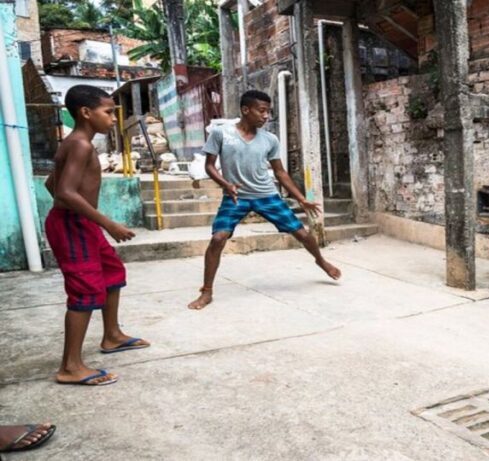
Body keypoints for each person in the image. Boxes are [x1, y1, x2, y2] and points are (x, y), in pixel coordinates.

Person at [187, 90, 341, 310]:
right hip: (236, 196)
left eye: (268, 111)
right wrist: (225, 184)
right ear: (245, 110)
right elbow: (209, 165)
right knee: (218, 239)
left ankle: (321, 260)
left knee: (303, 234)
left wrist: (301, 199)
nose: (266, 116)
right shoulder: (222, 134)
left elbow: (280, 172)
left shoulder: (270, 139)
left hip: (266, 195)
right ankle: (207, 291)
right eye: (262, 111)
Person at [44, 85, 150, 386]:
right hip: (71, 225)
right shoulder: (81, 144)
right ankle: (70, 366)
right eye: (109, 112)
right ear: (86, 113)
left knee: (112, 272)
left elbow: (51, 184)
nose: (113, 119)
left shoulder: (76, 142)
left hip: (80, 223)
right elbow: (64, 191)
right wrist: (108, 223)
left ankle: (112, 335)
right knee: (85, 290)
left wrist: (88, 217)